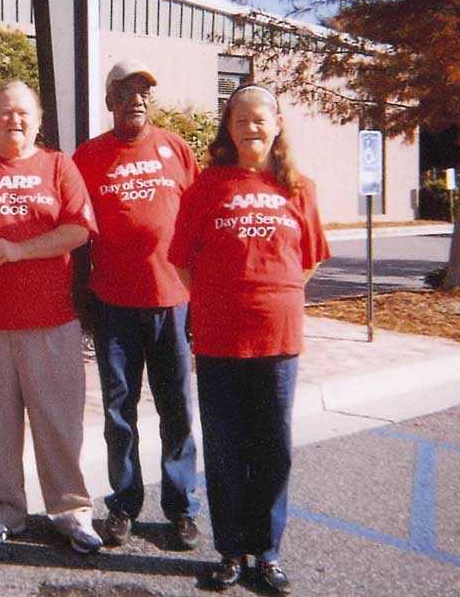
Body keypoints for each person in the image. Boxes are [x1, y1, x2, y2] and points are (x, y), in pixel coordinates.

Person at [167, 85, 330, 595]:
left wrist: (270, 296)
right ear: (228, 129)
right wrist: (220, 301)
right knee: (224, 448)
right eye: (241, 119)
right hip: (218, 341)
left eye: (260, 119)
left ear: (277, 125)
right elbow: (181, 259)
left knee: (273, 448)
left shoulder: (300, 187)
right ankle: (231, 551)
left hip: (278, 340)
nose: (251, 127)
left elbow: (311, 259)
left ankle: (268, 552)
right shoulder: (207, 187)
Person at [0, 80, 103, 554]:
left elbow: (77, 231)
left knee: (59, 423)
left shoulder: (58, 166)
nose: (14, 120)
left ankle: (71, 512)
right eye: (5, 112)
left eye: (23, 112)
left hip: (51, 320)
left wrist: (20, 249)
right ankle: (4, 511)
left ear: (38, 120)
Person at [72, 60, 201, 548]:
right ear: (109, 101)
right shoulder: (88, 158)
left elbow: (198, 226)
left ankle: (181, 507)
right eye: (126, 91)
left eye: (144, 90)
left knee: (177, 410)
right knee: (119, 412)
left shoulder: (176, 149)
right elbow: (79, 236)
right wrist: (80, 298)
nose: (136, 99)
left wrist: (203, 296)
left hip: (174, 302)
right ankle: (123, 504)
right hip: (113, 306)